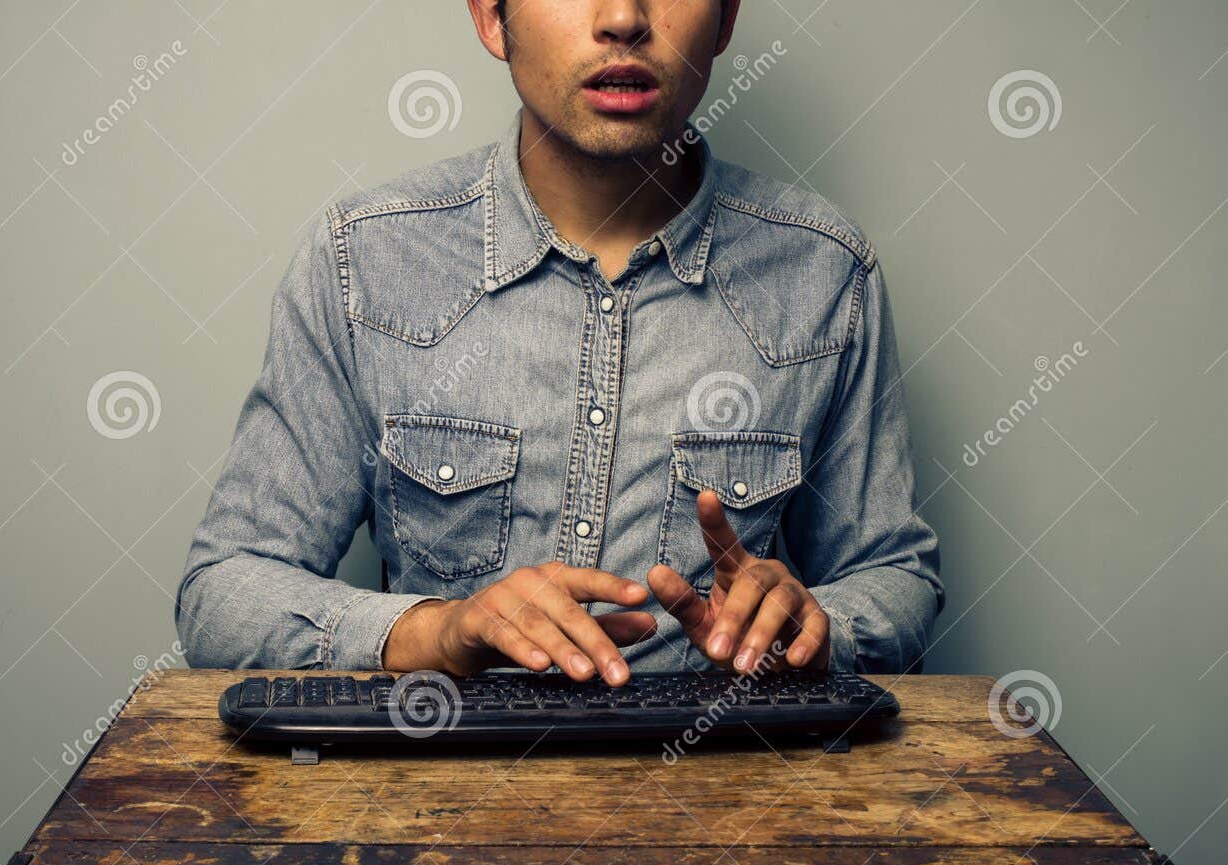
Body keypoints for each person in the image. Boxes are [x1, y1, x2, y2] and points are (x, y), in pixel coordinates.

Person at [176, 0, 941, 685]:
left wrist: (810, 628)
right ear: (489, 16)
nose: (622, 18)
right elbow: (224, 591)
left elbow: (893, 576)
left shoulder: (824, 272)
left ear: (728, 18)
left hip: (718, 811)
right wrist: (435, 630)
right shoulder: (363, 262)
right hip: (431, 810)